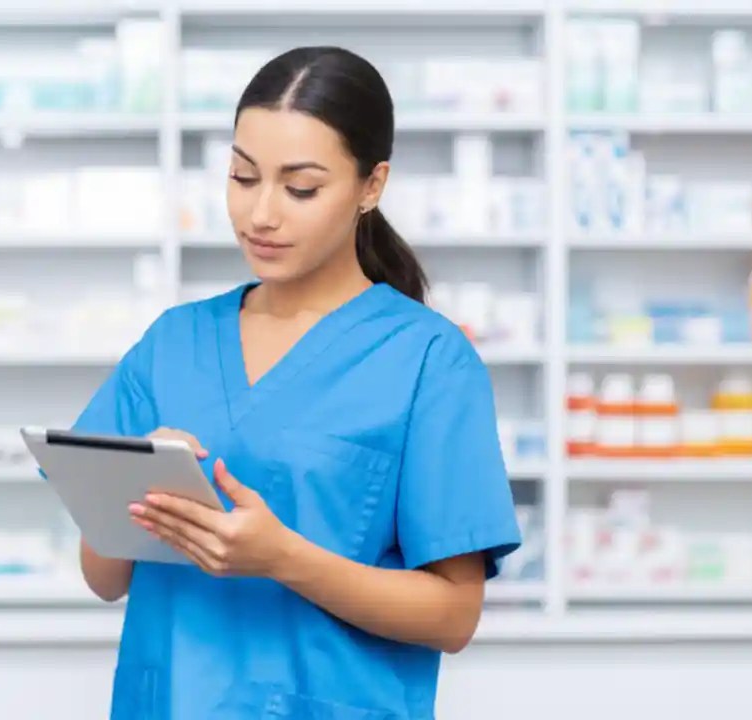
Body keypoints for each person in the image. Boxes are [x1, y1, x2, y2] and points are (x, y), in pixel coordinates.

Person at [70, 46, 522, 720]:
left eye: (300, 188)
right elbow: (103, 578)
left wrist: (282, 557)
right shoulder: (173, 342)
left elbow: (454, 615)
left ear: (371, 186)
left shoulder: (428, 359)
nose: (261, 214)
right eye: (243, 177)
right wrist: (136, 495)